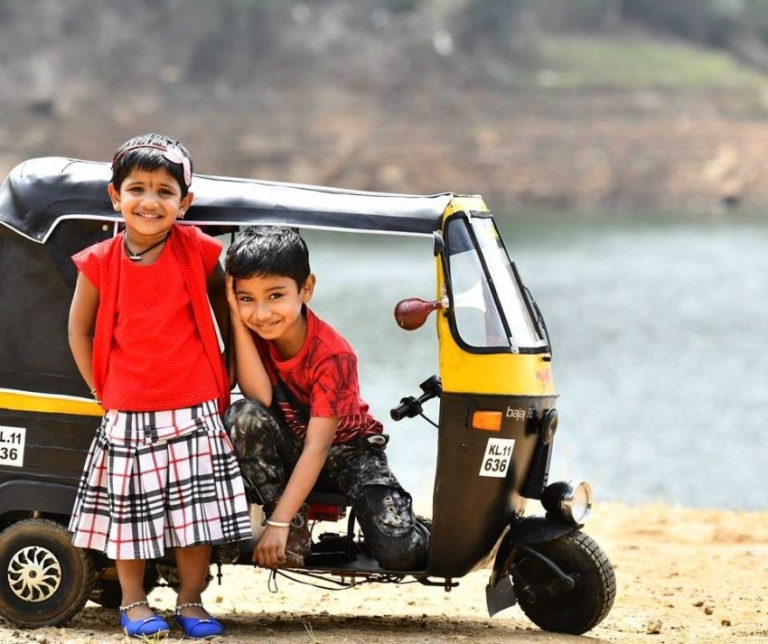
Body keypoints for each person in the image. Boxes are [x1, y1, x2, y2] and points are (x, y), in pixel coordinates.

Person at [67, 133, 252, 640]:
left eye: (165, 192)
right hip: (127, 408)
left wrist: (227, 372)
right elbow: (79, 331)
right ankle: (133, 600)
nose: (150, 202)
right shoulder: (99, 261)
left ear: (184, 202)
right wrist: (102, 390)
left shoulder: (198, 251)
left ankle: (191, 600)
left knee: (195, 516)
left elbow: (227, 314)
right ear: (116, 196)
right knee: (130, 515)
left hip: (194, 406)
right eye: (137, 189)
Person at [223, 226, 430, 571]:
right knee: (242, 415)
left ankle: (413, 525)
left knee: (401, 553)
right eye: (246, 298)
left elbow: (318, 448)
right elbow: (259, 397)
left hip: (349, 453)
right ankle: (293, 525)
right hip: (293, 448)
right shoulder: (255, 331)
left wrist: (276, 525)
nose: (261, 313)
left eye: (275, 296)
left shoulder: (333, 355)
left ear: (306, 288)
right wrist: (234, 317)